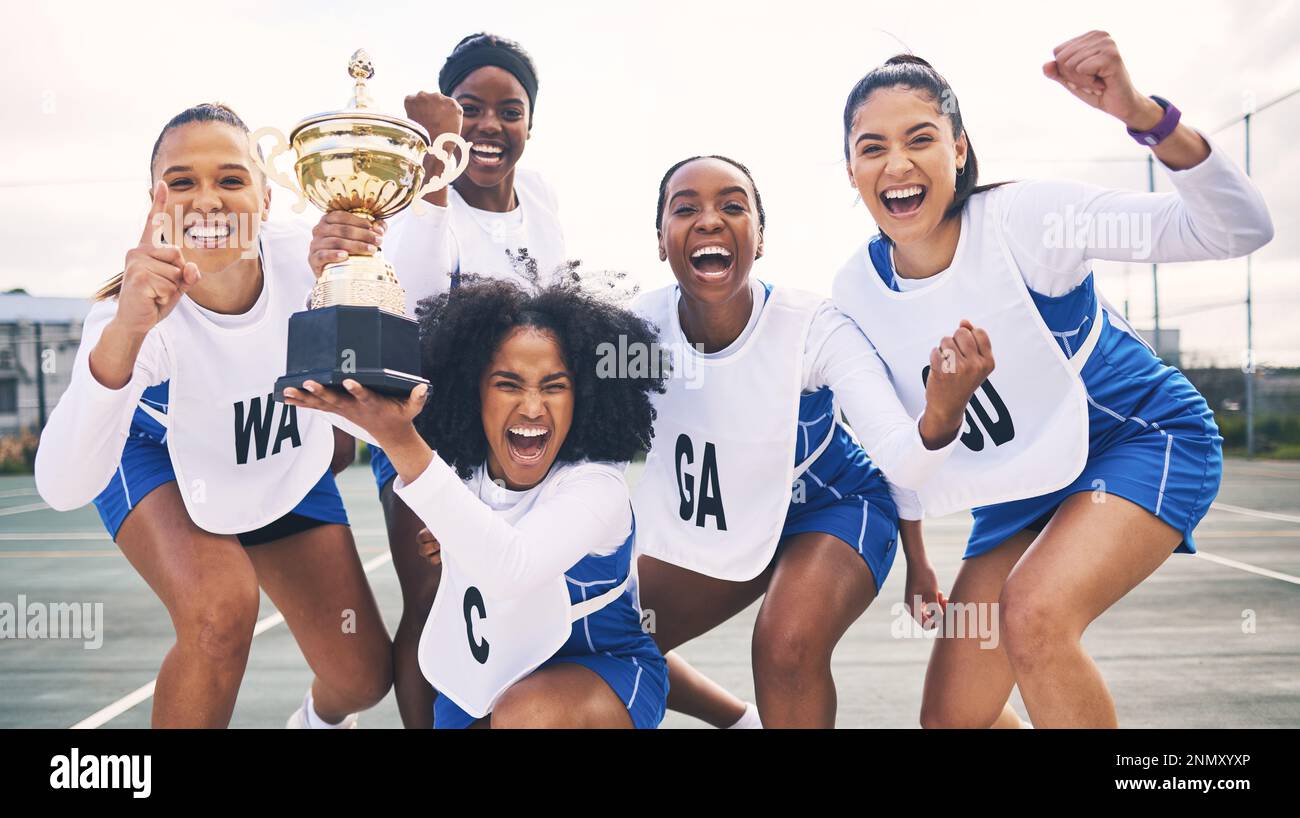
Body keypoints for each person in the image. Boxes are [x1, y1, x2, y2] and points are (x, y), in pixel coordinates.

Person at [831, 32, 1274, 728]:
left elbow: (1238, 230)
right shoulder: (856, 289)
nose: (898, 163)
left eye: (921, 138)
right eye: (872, 147)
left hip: (1138, 440)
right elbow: (897, 440)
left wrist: (1145, 114)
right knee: (953, 719)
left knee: (1032, 616)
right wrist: (916, 559)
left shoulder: (1027, 221)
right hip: (1020, 486)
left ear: (960, 150)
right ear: (850, 170)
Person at [34, 103, 392, 728]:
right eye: (182, 181)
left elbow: (371, 414)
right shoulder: (134, 314)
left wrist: (342, 302)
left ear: (268, 198)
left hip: (275, 452)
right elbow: (60, 486)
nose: (208, 199)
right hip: (159, 452)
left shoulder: (310, 266)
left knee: (361, 678)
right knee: (219, 611)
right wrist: (128, 332)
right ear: (155, 202)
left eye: (231, 179)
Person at [632, 155, 994, 727]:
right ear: (660, 240)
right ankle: (738, 719)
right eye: (686, 208)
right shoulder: (634, 331)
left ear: (760, 236)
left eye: (732, 206)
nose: (709, 220)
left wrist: (941, 418)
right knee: (612, 635)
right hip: (733, 519)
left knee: (785, 646)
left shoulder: (813, 327)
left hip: (835, 508)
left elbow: (896, 451)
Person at [306, 33, 566, 727]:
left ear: (529, 125)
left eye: (509, 110)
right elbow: (417, 306)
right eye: (469, 108)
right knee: (434, 600)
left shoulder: (541, 198)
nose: (489, 125)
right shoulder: (419, 199)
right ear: (444, 121)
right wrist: (433, 170)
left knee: (515, 601)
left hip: (520, 440)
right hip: (428, 435)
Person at [282, 277, 668, 728]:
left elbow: (512, 568)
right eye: (508, 384)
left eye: (554, 386)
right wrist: (335, 313)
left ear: (581, 396)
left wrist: (403, 444)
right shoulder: (463, 463)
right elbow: (367, 412)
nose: (531, 407)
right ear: (474, 392)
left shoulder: (596, 486)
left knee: (527, 714)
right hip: (487, 674)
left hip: (601, 673)